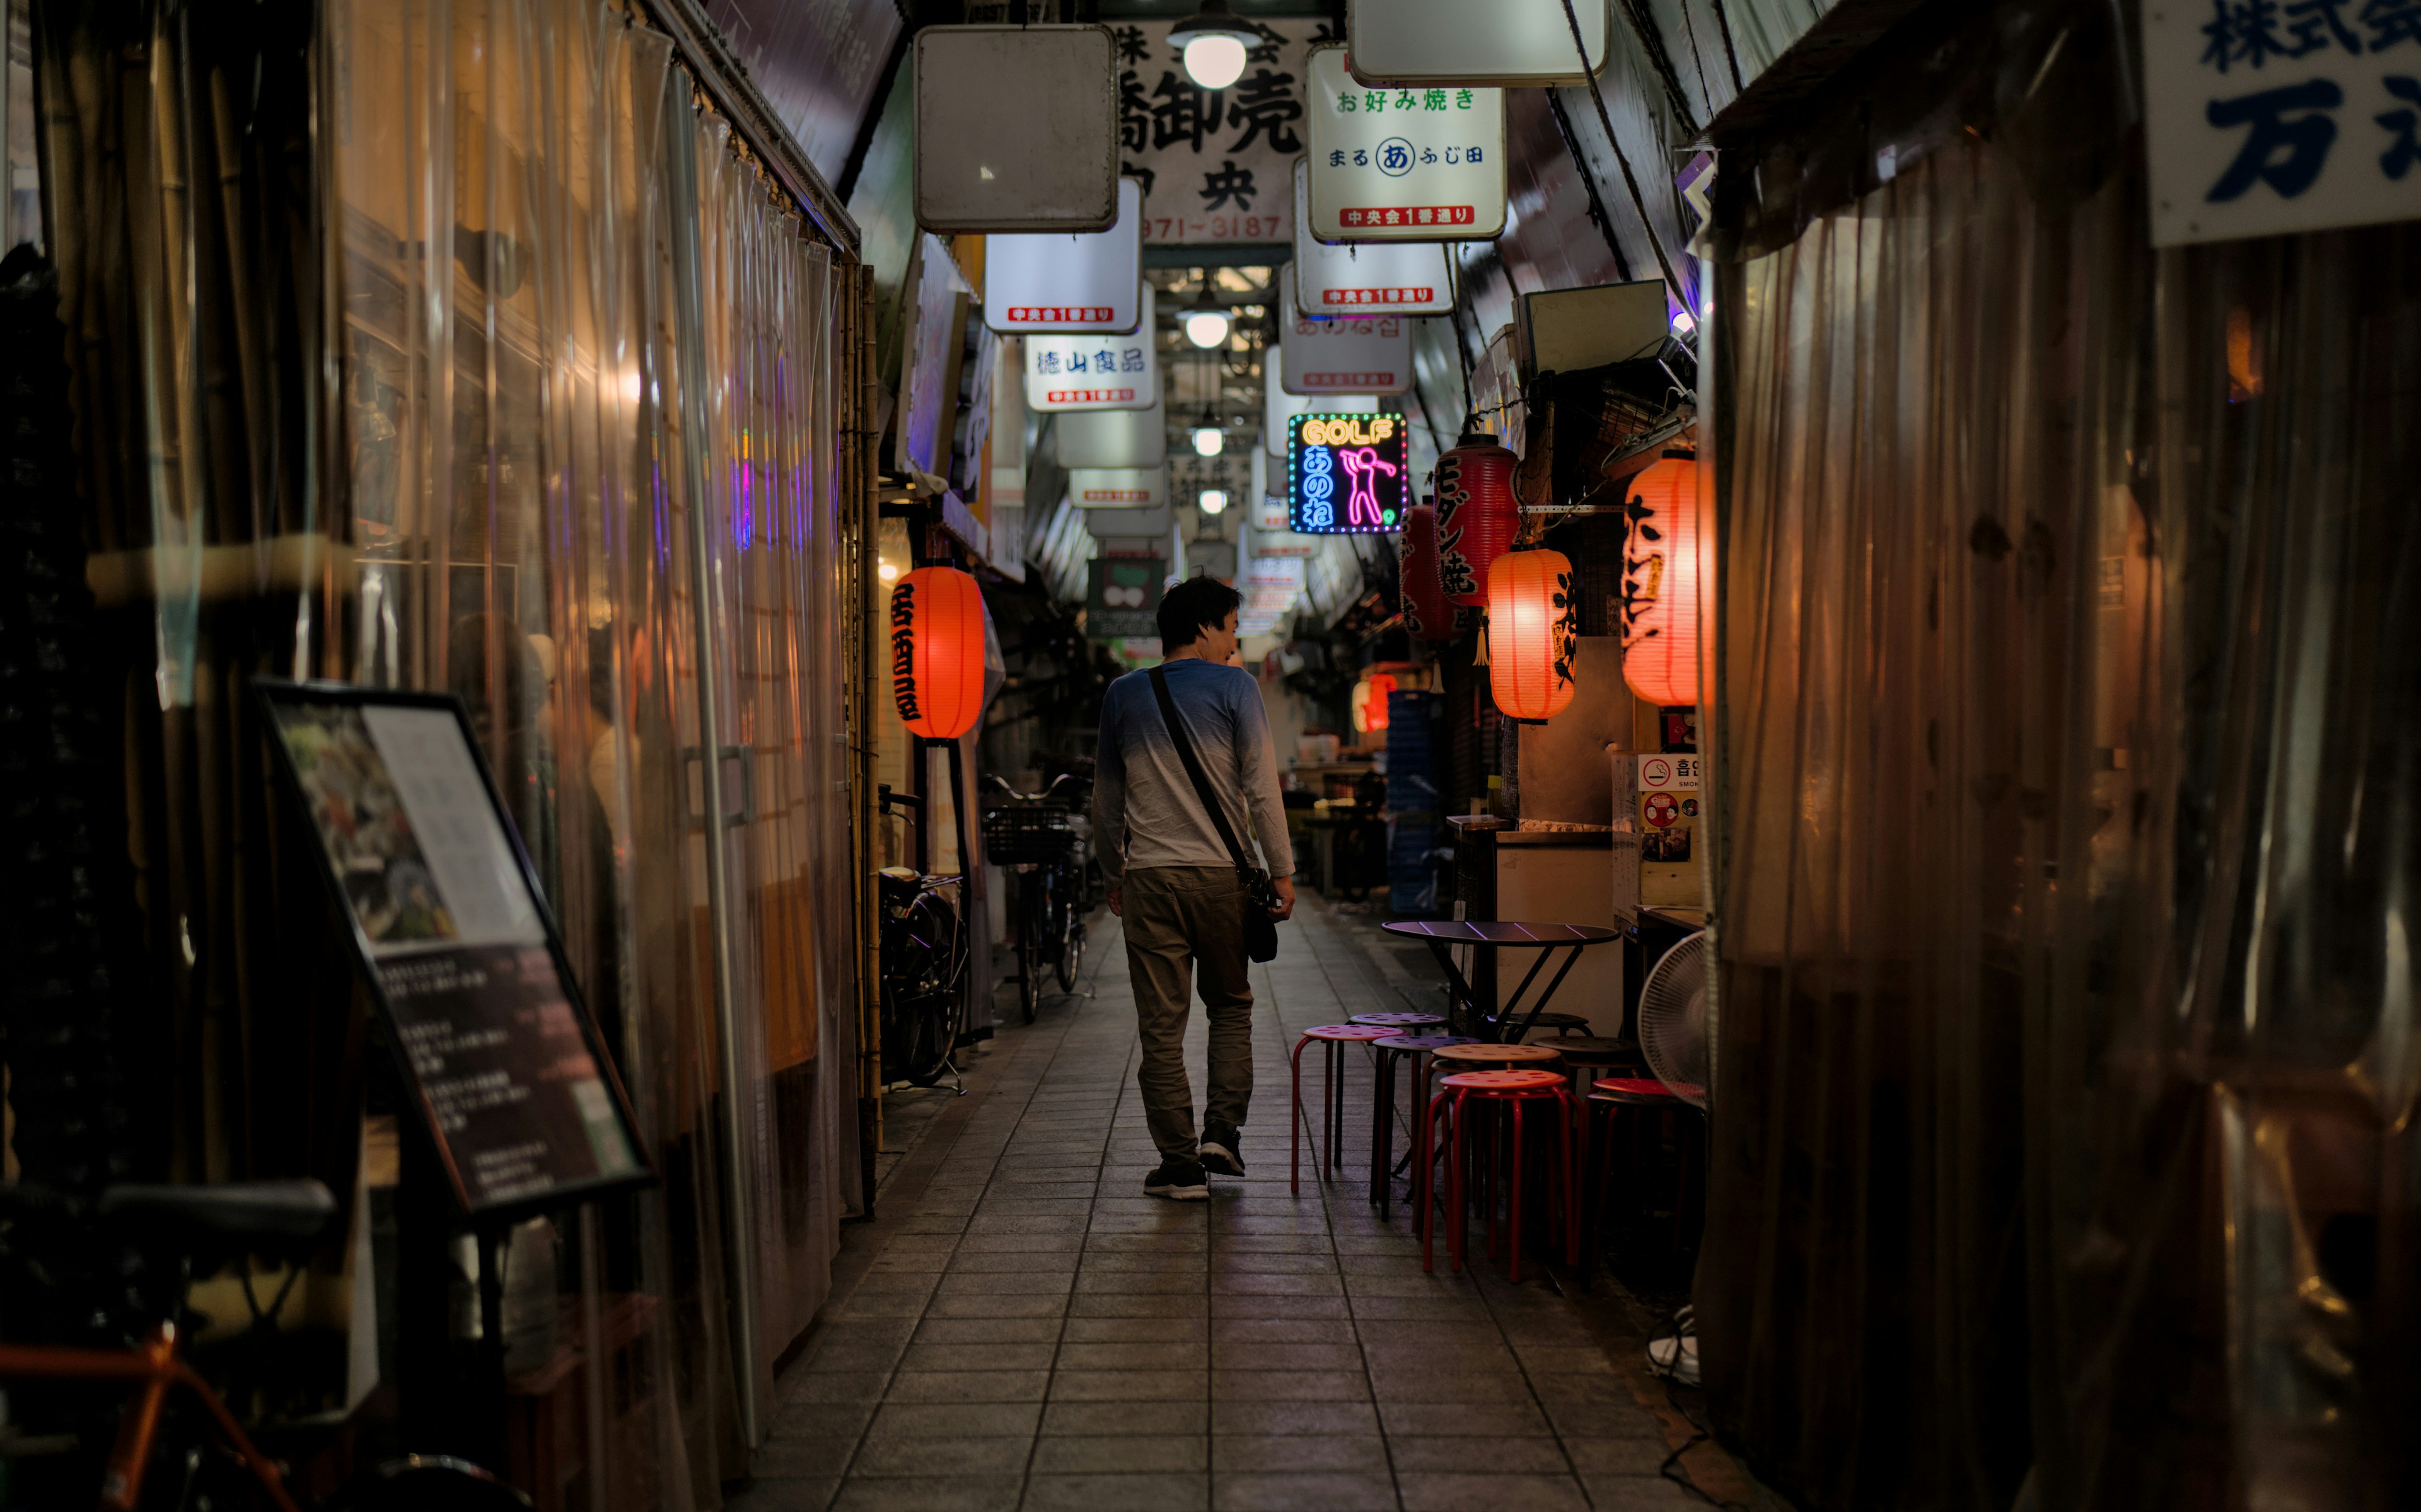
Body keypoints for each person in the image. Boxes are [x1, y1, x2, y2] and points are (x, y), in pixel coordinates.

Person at [1091, 576, 1296, 1200]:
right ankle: (1221, 1136)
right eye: (1232, 629)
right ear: (1205, 627)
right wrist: (1282, 869)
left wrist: (1113, 872)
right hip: (1220, 882)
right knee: (1230, 1005)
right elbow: (1262, 787)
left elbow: (1107, 801)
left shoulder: (1124, 694)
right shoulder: (1236, 687)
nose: (1235, 646)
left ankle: (1179, 1165)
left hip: (1150, 878)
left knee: (1162, 1025)